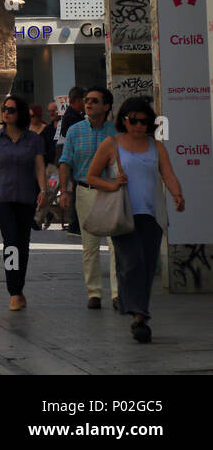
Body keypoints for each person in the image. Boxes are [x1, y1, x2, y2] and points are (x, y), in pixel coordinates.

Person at [85, 97, 185, 343]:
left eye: (144, 121)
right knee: (132, 262)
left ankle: (139, 316)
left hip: (151, 215)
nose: (139, 126)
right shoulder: (111, 145)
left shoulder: (156, 146)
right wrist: (112, 183)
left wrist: (177, 195)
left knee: (148, 266)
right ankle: (138, 312)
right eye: (134, 120)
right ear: (124, 120)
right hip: (123, 215)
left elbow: (168, 174)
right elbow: (91, 177)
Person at [0, 95, 49, 311]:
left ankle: (19, 287)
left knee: (23, 245)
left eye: (10, 109)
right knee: (11, 243)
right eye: (4, 109)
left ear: (19, 113)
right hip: (2, 198)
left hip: (26, 198)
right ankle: (14, 291)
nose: (6, 113)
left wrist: (44, 190)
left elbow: (39, 167)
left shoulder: (34, 140)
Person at [57, 85, 119, 309]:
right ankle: (94, 293)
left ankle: (117, 294)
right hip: (85, 192)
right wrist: (64, 191)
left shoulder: (115, 133)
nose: (89, 104)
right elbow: (66, 162)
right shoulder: (74, 131)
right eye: (86, 101)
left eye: (94, 100)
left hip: (112, 193)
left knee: (115, 244)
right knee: (90, 245)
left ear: (106, 106)